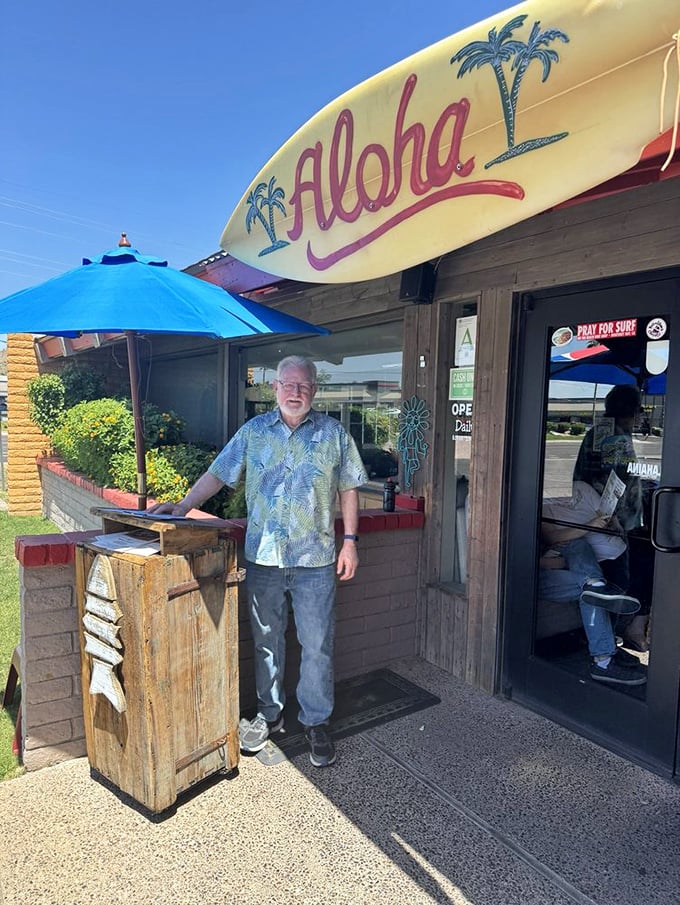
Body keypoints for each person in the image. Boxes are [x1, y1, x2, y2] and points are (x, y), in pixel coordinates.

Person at [150, 356, 368, 767]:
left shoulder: (334, 434)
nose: (295, 392)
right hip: (264, 559)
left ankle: (317, 721)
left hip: (317, 560)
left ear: (314, 390)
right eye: (288, 384)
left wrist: (351, 541)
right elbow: (219, 473)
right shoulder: (254, 433)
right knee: (267, 643)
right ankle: (270, 714)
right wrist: (183, 507)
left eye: (303, 385)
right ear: (275, 389)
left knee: (317, 645)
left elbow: (350, 488)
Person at [573, 384, 651, 650]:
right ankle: (619, 633)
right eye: (639, 409)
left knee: (610, 575)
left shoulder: (598, 432)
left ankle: (602, 631)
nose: (641, 415)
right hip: (617, 522)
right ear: (629, 411)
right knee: (625, 575)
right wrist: (615, 518)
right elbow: (613, 480)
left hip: (595, 516)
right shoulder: (617, 438)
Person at [539, 512, 646, 686]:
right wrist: (554, 560)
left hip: (562, 566)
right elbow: (524, 558)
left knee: (591, 589)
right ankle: (603, 661)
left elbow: (560, 553)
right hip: (535, 576)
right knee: (592, 589)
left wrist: (560, 556)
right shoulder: (523, 512)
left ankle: (595, 586)